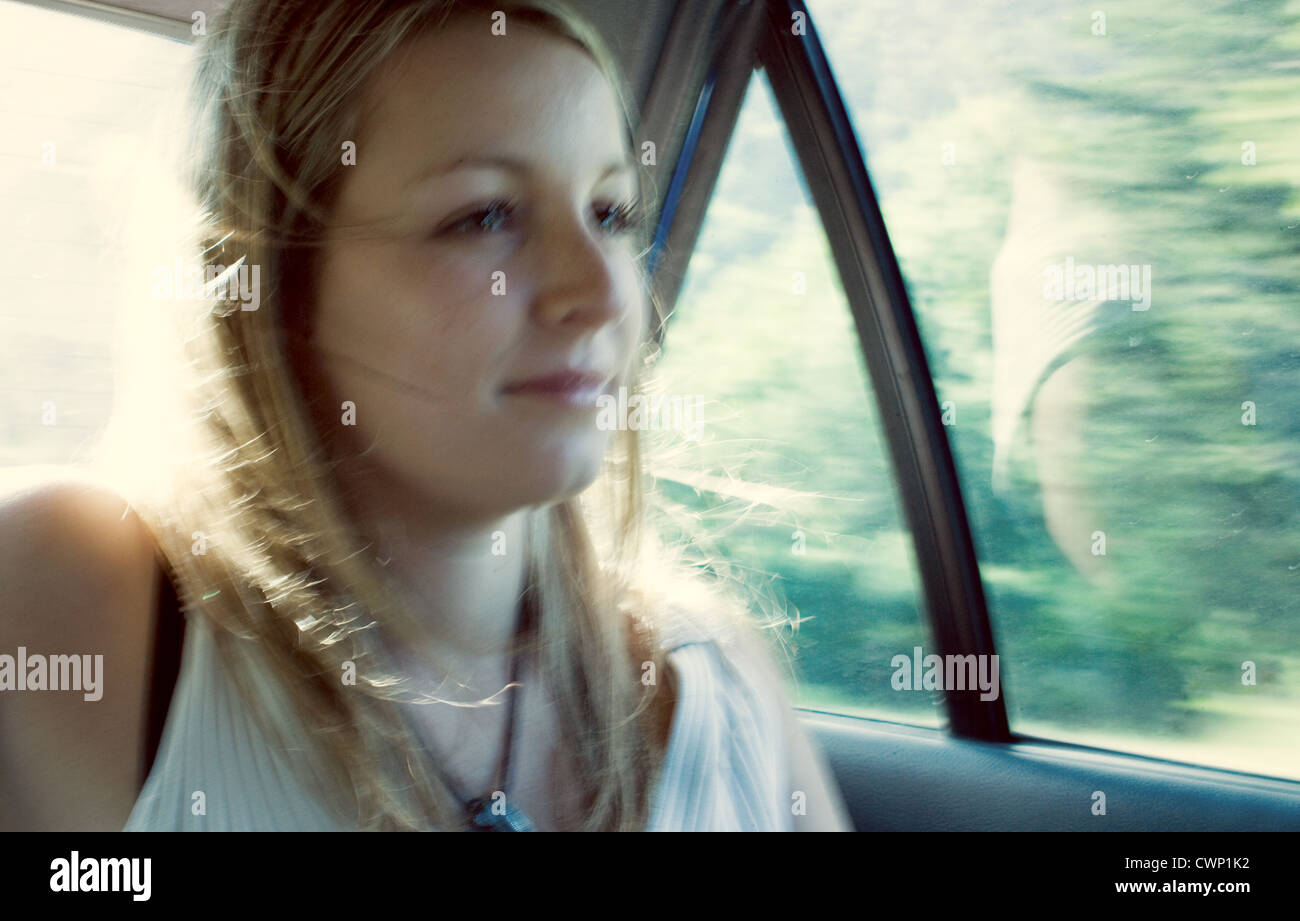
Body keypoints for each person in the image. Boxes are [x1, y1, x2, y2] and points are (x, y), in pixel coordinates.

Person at [0, 0, 851, 832]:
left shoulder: (717, 680)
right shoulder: (80, 592)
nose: (599, 294)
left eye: (611, 212)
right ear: (278, 288)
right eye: (484, 216)